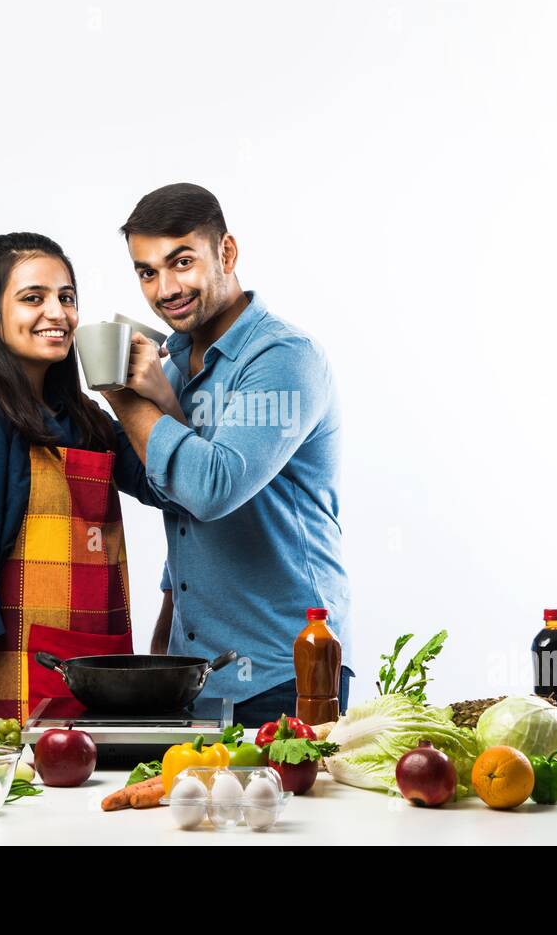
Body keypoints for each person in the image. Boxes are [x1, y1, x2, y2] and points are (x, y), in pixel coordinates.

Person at [106, 183, 353, 727]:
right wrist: (162, 658)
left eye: (182, 261)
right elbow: (179, 509)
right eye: (147, 272)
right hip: (195, 676)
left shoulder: (284, 357)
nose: (165, 288)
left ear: (227, 253)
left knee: (283, 815)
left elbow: (210, 489)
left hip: (287, 670)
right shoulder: (172, 369)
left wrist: (122, 394)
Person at [0, 232, 136, 726]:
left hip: (99, 673)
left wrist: (129, 387)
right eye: (33, 298)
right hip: (16, 686)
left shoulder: (84, 418)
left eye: (66, 297)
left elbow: (163, 484)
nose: (56, 313)